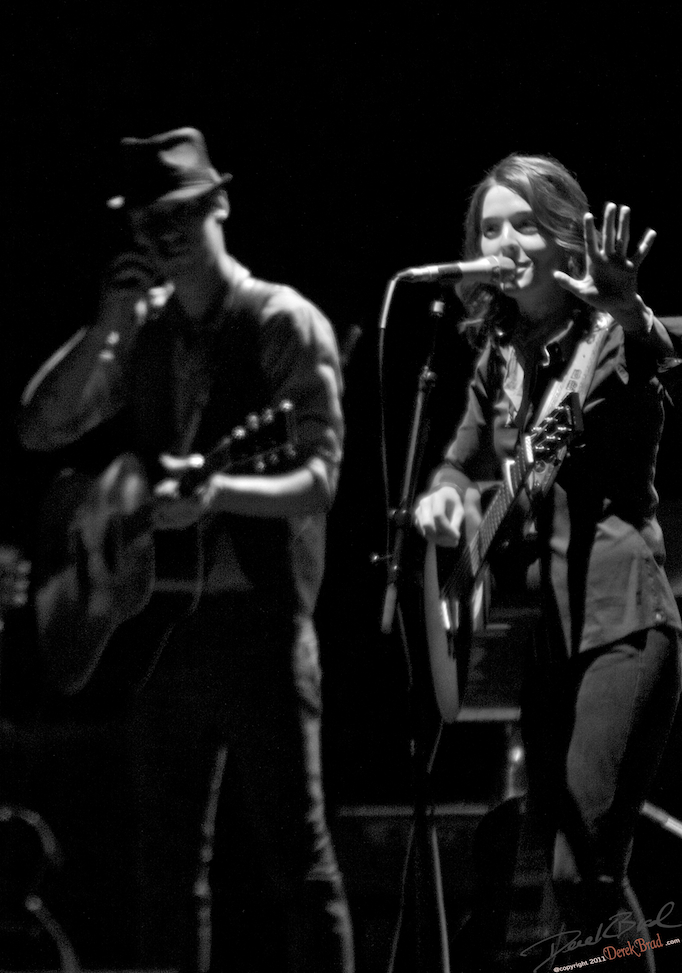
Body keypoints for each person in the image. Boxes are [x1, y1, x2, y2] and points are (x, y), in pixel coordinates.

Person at [18, 128, 354, 973]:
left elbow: (316, 478)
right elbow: (41, 427)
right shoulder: (147, 333)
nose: (162, 238)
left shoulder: (281, 321)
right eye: (146, 225)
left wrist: (220, 493)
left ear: (220, 204)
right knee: (166, 870)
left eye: (176, 217)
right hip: (163, 633)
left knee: (298, 864)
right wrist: (105, 328)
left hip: (261, 622)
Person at [414, 154, 682, 971]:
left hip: (622, 625)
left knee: (583, 867)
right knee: (577, 877)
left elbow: (649, 363)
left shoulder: (602, 336)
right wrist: (446, 500)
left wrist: (628, 312)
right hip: (547, 645)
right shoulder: (495, 353)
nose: (504, 240)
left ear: (565, 235)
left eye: (525, 223)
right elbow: (462, 464)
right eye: (490, 226)